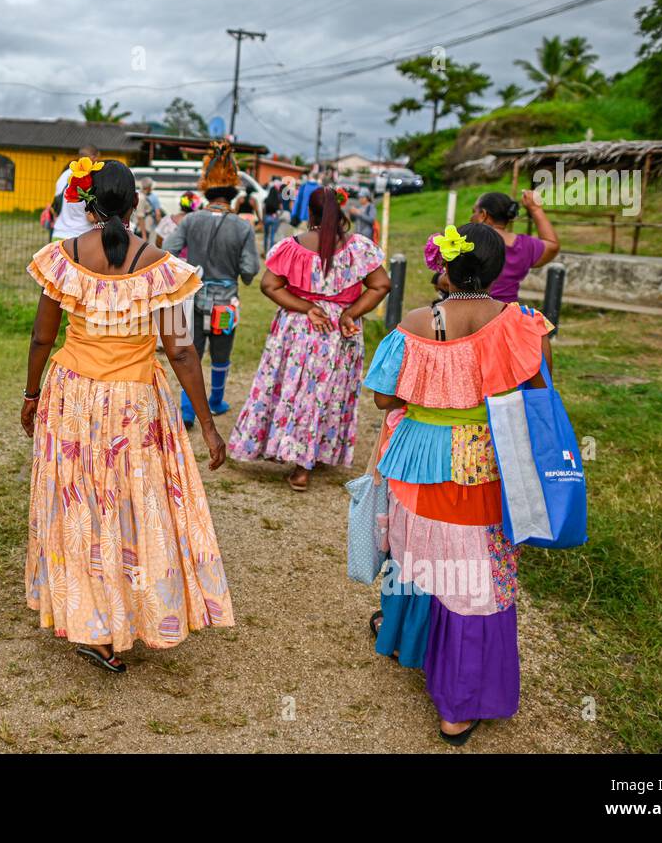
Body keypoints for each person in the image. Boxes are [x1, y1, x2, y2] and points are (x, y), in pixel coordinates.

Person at [22, 157, 234, 673]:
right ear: (136, 203)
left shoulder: (62, 259)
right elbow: (181, 351)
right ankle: (139, 613)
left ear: (85, 203)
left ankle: (96, 624)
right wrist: (208, 426)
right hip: (134, 404)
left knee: (80, 508)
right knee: (135, 505)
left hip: (73, 398)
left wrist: (31, 396)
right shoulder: (160, 266)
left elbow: (42, 338)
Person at [364, 222, 555, 745]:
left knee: (419, 557)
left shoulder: (417, 322)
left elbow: (383, 399)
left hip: (417, 462)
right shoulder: (523, 325)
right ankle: (459, 704)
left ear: (446, 269)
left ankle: (406, 640)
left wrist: (432, 388)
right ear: (498, 270)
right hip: (485, 465)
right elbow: (538, 393)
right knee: (476, 578)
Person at [228, 187, 389, 492]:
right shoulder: (358, 247)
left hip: (299, 328)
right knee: (325, 394)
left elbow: (270, 286)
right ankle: (310, 457)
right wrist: (349, 313)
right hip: (338, 332)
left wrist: (306, 307)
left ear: (310, 212)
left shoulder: (292, 247)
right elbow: (381, 285)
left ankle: (298, 463)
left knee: (293, 391)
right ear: (341, 212)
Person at [162, 140, 260, 427]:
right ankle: (216, 401)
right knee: (221, 354)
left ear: (206, 189)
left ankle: (188, 410)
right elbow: (250, 269)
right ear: (233, 191)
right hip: (225, 303)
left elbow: (168, 249)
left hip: (194, 297)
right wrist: (239, 273)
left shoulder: (191, 221)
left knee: (190, 353)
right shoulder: (242, 226)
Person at [435, 190, 560, 303]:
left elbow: (451, 282)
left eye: (474, 212)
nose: (471, 217)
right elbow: (552, 245)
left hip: (471, 311)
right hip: (506, 313)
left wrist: (437, 279)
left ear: (483, 214)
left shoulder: (470, 242)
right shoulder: (524, 246)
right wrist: (535, 209)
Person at [51, 144, 103, 241]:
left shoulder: (65, 175)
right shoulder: (91, 178)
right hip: (81, 238)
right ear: (93, 158)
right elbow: (91, 218)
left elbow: (55, 207)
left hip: (59, 235)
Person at [261, 176, 284, 255]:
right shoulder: (279, 199)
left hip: (267, 217)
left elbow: (263, 209)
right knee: (272, 236)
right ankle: (270, 253)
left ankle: (264, 251)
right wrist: (277, 215)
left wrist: (263, 218)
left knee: (266, 235)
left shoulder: (267, 199)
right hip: (274, 218)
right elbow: (281, 210)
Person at [136, 176, 162, 241]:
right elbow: (158, 215)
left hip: (137, 227)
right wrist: (144, 235)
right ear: (149, 187)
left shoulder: (137, 195)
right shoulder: (151, 197)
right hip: (146, 228)